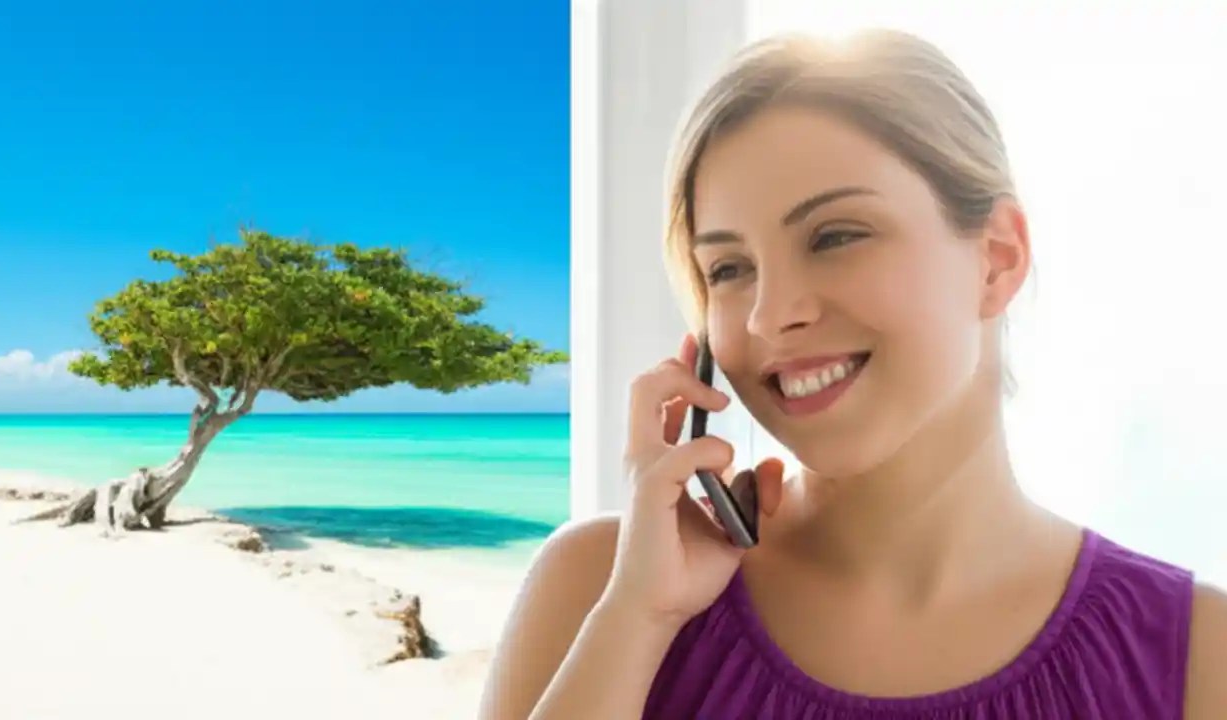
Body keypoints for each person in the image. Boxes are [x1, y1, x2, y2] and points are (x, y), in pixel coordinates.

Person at [479, 28, 1225, 719]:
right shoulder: (600, 592)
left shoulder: (1199, 658)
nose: (771, 315)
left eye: (835, 235)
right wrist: (638, 621)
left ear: (996, 257)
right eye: (729, 268)